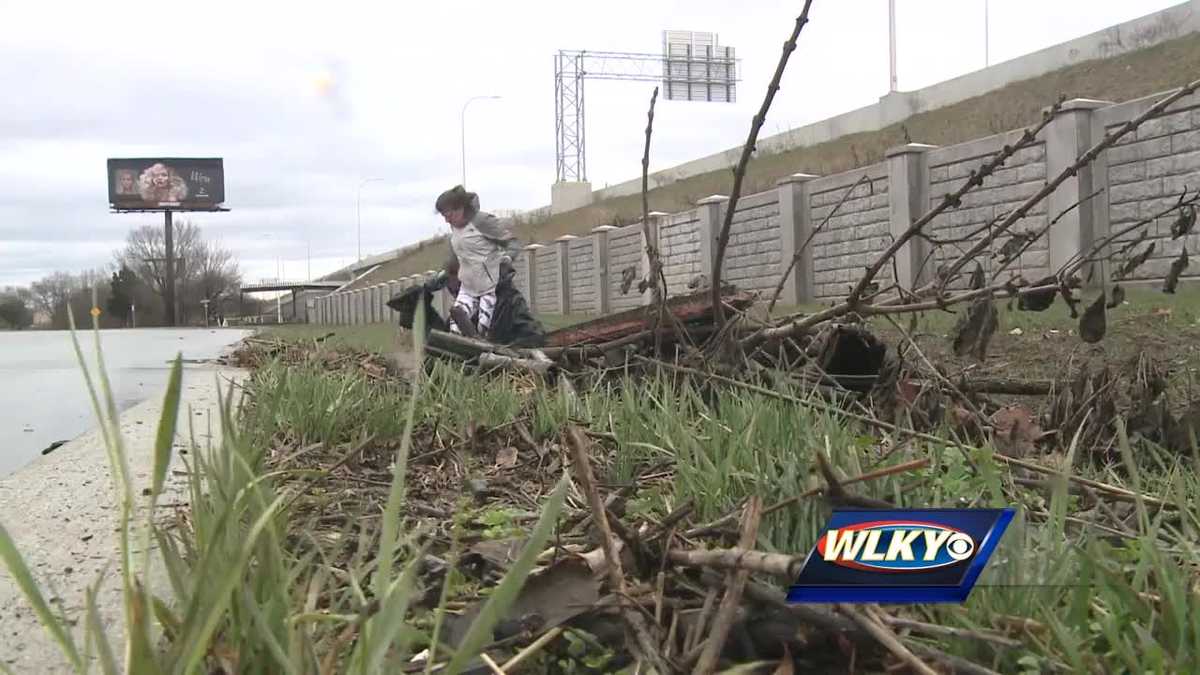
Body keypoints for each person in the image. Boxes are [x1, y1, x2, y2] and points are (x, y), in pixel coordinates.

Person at [434, 185, 522, 338]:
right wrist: (443, 273)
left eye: (449, 215)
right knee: (455, 326)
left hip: (490, 287)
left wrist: (507, 259)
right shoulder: (455, 228)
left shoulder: (482, 221)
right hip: (467, 287)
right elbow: (457, 255)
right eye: (444, 216)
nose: (447, 220)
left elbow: (512, 242)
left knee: (483, 327)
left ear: (460, 208)